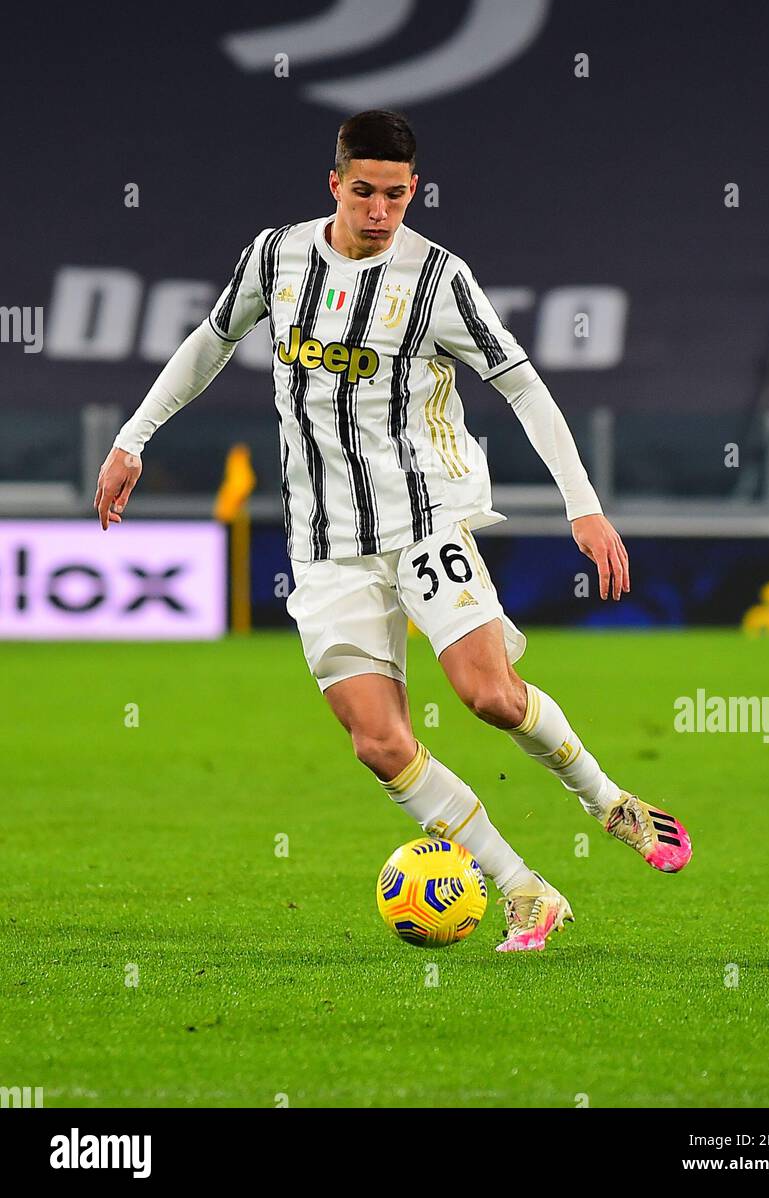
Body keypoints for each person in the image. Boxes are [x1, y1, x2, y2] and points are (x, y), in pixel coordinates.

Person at [94, 109, 691, 952]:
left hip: (422, 520)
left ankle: (607, 801)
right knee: (379, 743)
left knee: (488, 696)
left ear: (414, 192)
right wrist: (131, 439)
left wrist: (582, 505)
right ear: (334, 183)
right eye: (365, 192)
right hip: (325, 544)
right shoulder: (276, 256)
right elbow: (211, 339)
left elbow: (522, 384)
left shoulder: (439, 279)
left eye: (398, 195)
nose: (380, 211)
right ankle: (523, 889)